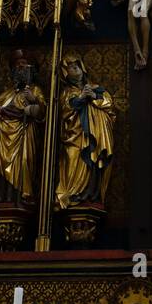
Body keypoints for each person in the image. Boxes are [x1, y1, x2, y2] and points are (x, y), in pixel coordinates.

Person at [0, 49, 44, 213]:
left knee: (23, 164)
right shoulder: (6, 94)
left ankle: (20, 198)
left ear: (31, 70)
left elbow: (43, 114)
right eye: (17, 66)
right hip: (1, 139)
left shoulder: (35, 91)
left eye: (24, 65)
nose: (20, 68)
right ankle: (0, 199)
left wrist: (33, 102)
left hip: (23, 136)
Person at [55, 54, 116, 209]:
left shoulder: (96, 88)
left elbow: (109, 106)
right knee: (74, 161)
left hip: (95, 137)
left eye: (76, 64)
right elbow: (64, 110)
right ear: (65, 72)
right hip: (75, 137)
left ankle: (92, 195)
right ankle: (73, 195)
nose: (74, 67)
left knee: (94, 162)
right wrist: (81, 98)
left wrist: (94, 96)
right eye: (70, 66)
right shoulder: (66, 92)